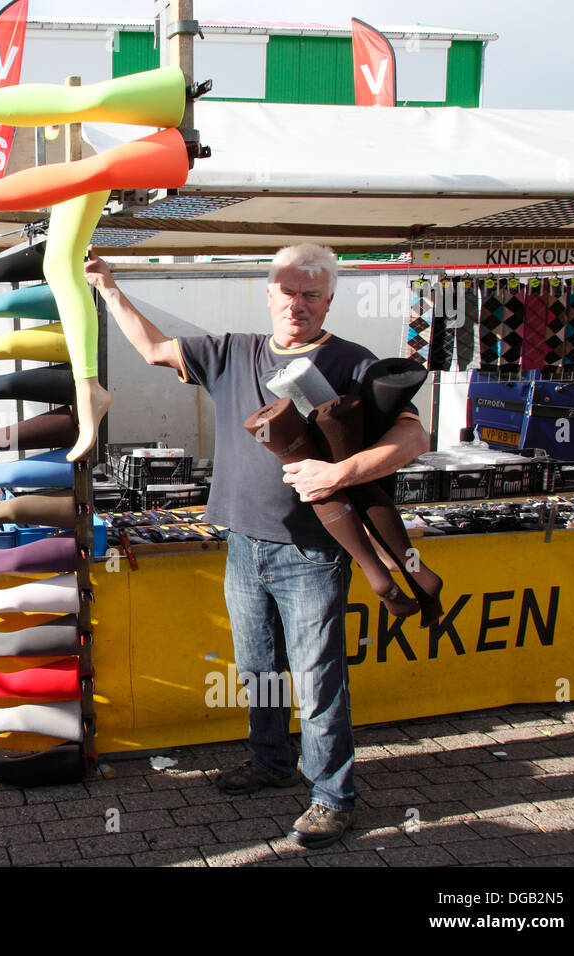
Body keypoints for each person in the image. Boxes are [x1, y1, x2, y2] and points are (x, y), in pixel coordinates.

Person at [86, 243, 429, 849]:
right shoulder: (231, 352)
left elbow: (413, 434)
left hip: (313, 553)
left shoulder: (354, 362)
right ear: (269, 292)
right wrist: (110, 288)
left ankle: (332, 795)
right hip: (243, 541)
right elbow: (153, 349)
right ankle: (270, 762)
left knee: (318, 677)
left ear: (329, 300)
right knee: (258, 668)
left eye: (312, 295)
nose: (299, 304)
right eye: (289, 292)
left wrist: (339, 475)